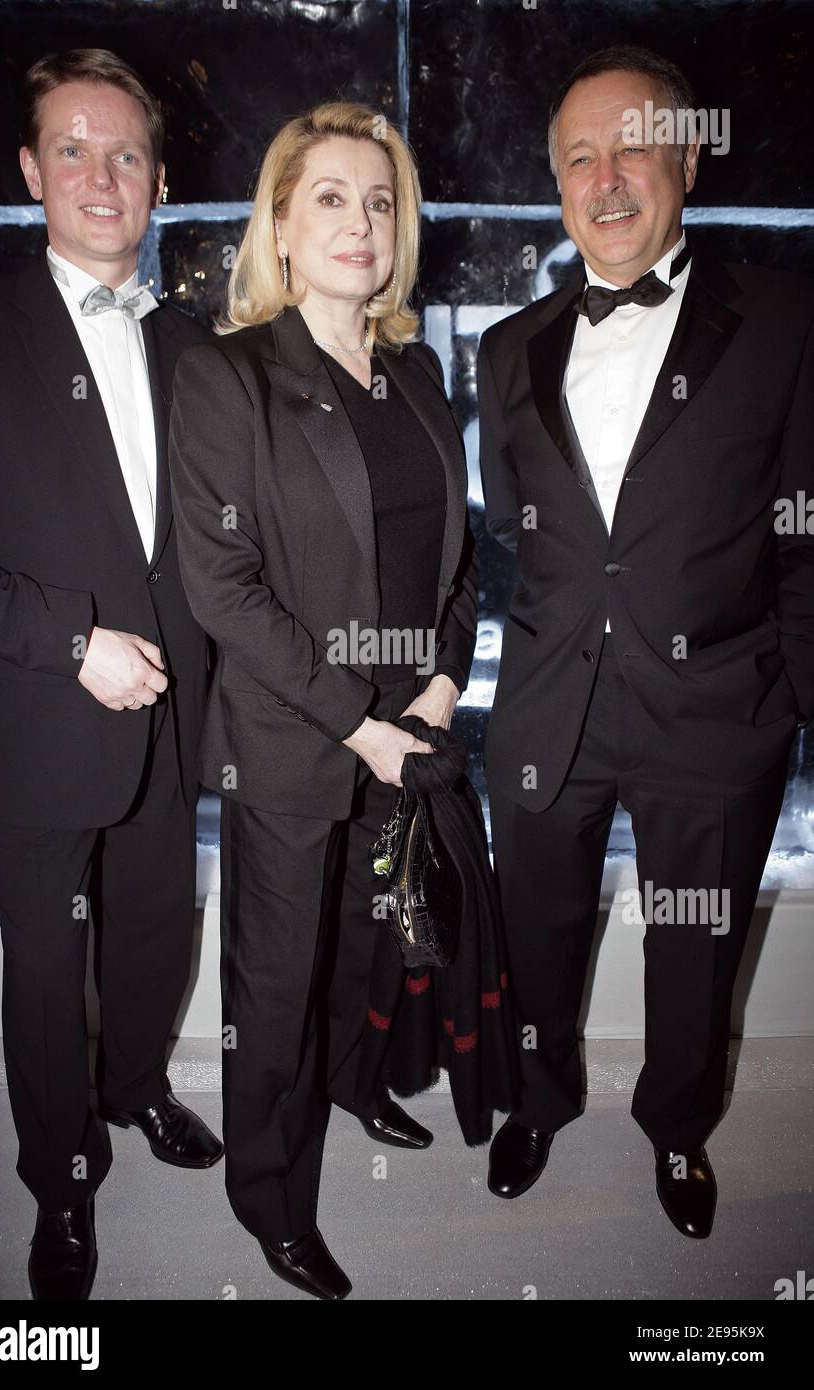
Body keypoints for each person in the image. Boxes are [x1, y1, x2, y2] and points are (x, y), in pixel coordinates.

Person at [477, 45, 813, 1239]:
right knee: (536, 927)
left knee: (693, 946)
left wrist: (788, 699)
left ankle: (677, 1124)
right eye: (577, 156)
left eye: (629, 145)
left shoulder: (783, 317)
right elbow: (517, 534)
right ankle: (534, 1097)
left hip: (716, 711)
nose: (603, 176)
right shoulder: (505, 347)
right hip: (546, 706)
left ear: (683, 154)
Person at [169, 100, 478, 1299]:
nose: (361, 221)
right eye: (331, 198)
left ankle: (353, 1088)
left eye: (380, 200)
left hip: (409, 733)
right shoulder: (226, 375)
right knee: (277, 978)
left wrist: (443, 684)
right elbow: (225, 589)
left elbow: (457, 557)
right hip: (299, 742)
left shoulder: (414, 372)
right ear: (283, 230)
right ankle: (270, 1194)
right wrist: (361, 724)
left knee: (360, 952)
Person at [0, 48, 223, 1302]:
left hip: (178, 718)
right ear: (28, 170)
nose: (101, 174)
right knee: (48, 970)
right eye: (73, 147)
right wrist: (70, 643)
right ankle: (60, 1181)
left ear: (158, 180)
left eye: (125, 153)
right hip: (38, 718)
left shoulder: (194, 345)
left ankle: (137, 1091)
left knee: (158, 932)